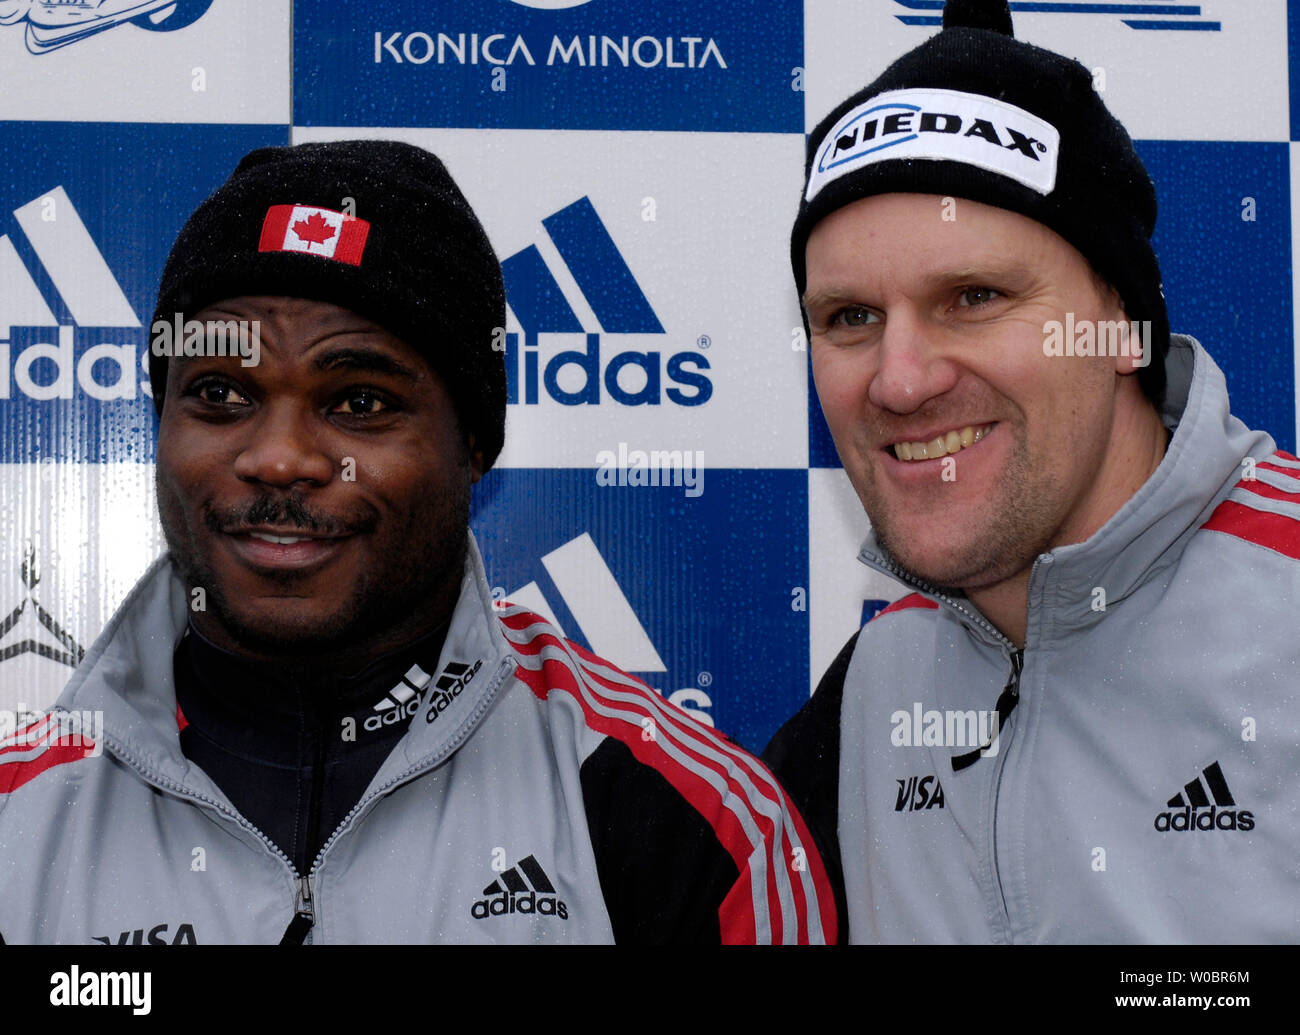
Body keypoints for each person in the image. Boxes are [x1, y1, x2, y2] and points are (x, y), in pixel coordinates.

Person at [0, 139, 835, 944]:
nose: (279, 456)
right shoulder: (19, 816)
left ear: (473, 444)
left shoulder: (698, 820)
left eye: (359, 401)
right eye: (220, 392)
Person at [765, 0, 1300, 943]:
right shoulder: (869, 696)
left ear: (1125, 326)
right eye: (850, 317)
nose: (900, 379)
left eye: (975, 297)